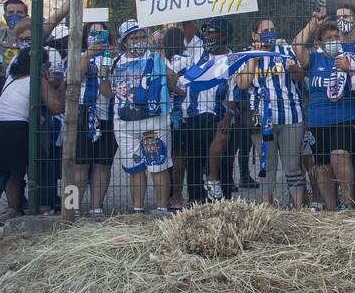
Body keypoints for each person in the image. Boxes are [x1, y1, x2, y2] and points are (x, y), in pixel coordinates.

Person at [0, 48, 64, 243]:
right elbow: (57, 107)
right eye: (47, 65)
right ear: (42, 66)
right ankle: (43, 208)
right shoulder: (37, 80)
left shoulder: (11, 78)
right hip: (17, 129)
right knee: (42, 166)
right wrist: (63, 85)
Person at [103, 19, 181, 214]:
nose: (138, 41)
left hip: (153, 122)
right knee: (134, 168)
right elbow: (107, 92)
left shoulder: (155, 58)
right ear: (124, 41)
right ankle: (137, 209)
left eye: (141, 37)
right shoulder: (115, 62)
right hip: (125, 124)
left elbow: (173, 81)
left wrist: (161, 62)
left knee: (158, 165)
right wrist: (102, 75)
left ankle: (162, 209)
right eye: (133, 38)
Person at [235, 18, 308, 209]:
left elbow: (301, 77)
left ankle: (299, 208)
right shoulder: (248, 54)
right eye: (265, 30)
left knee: (292, 165)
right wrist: (252, 60)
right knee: (267, 166)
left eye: (273, 29)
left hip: (291, 115)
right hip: (261, 118)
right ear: (255, 34)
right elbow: (242, 84)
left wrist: (294, 70)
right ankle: (266, 207)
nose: (270, 33)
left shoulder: (286, 51)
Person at [303, 20, 355, 210]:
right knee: (322, 166)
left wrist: (350, 69)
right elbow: (296, 47)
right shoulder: (314, 59)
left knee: (339, 155)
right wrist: (312, 25)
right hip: (319, 119)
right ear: (321, 43)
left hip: (346, 116)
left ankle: (347, 204)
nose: (334, 40)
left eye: (336, 37)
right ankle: (332, 209)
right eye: (329, 38)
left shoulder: (351, 57)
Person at [170, 20, 229, 205]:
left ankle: (223, 203)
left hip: (218, 118)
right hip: (193, 118)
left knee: (222, 165)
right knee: (193, 164)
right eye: (206, 33)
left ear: (224, 36)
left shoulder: (232, 59)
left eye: (213, 33)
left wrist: (228, 117)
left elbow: (235, 91)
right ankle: (196, 203)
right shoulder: (197, 51)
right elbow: (188, 24)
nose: (208, 37)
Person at [72, 20, 117, 217]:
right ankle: (71, 207)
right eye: (92, 33)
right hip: (82, 115)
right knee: (78, 166)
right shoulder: (77, 56)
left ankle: (96, 207)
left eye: (101, 33)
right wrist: (89, 54)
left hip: (106, 114)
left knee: (102, 164)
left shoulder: (115, 58)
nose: (96, 37)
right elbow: (71, 77)